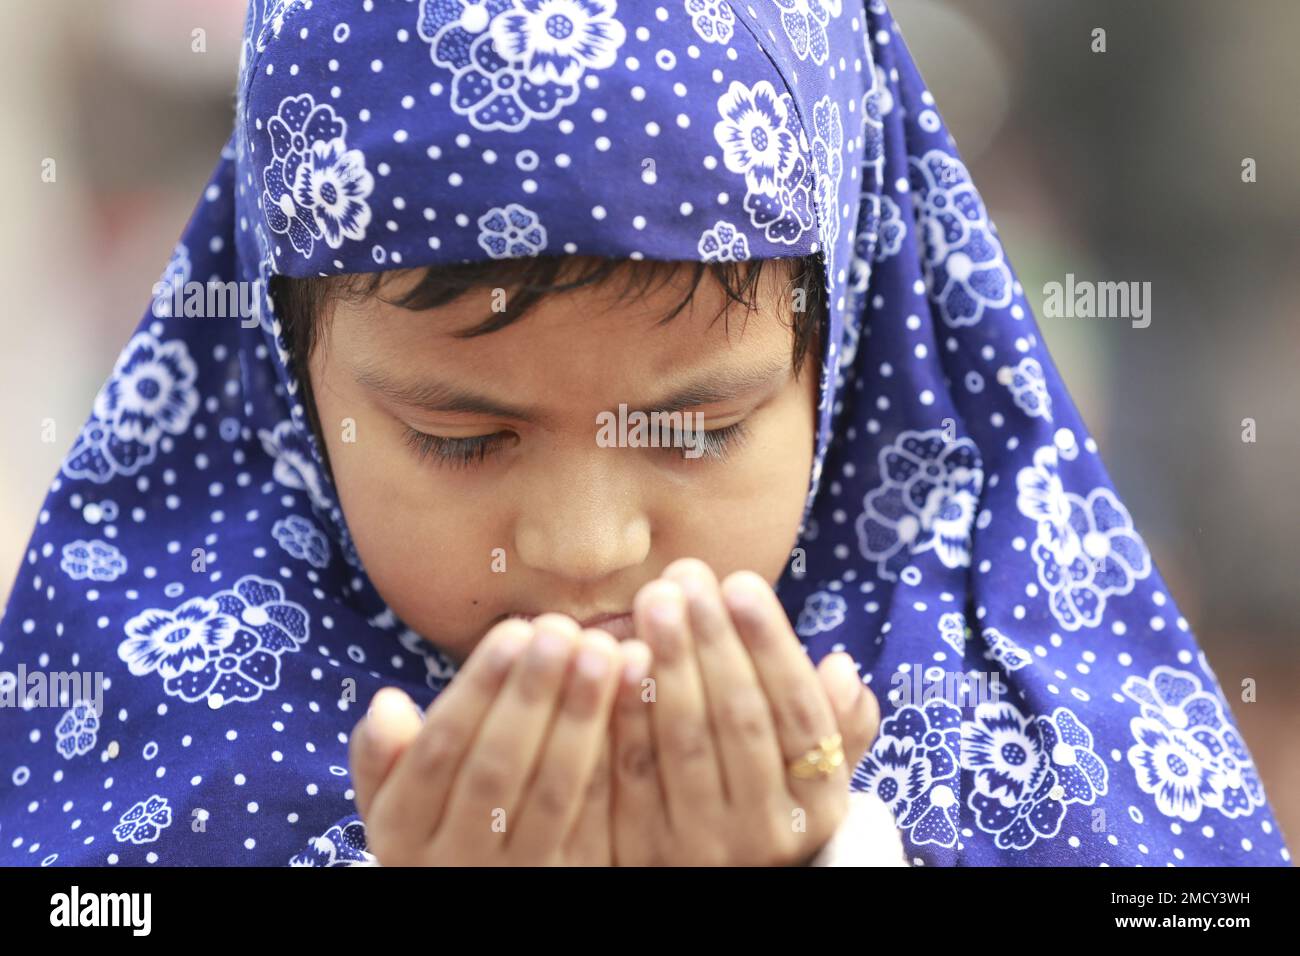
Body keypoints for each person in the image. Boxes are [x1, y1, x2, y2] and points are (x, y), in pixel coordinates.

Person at [0, 0, 1286, 867]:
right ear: (289, 378)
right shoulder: (137, 752)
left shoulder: (1032, 735)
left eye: (700, 427)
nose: (582, 545)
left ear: (842, 368)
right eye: (459, 437)